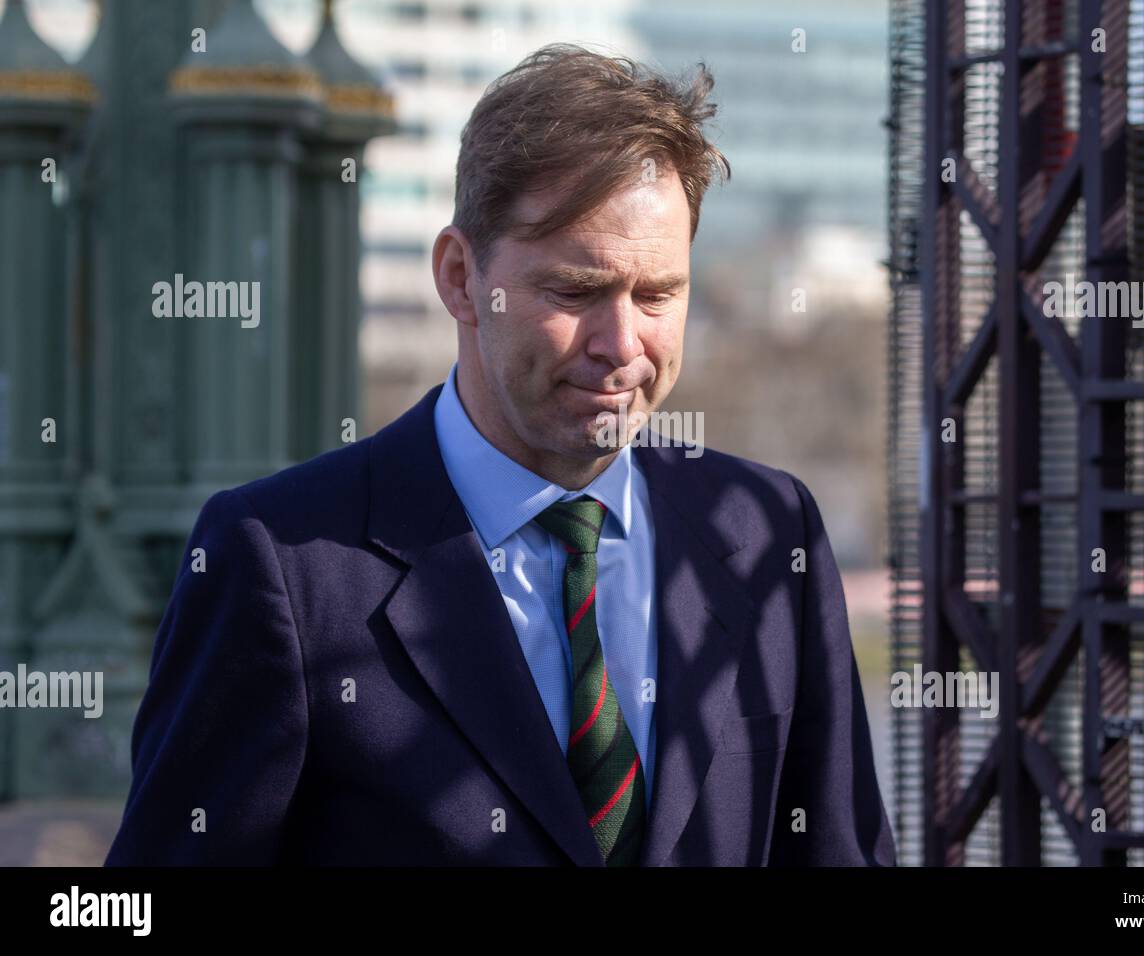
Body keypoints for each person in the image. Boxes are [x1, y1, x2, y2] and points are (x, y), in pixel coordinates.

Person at [104, 43, 894, 867]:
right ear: (458, 277)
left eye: (657, 295)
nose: (622, 344)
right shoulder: (280, 562)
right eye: (574, 292)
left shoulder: (769, 531)